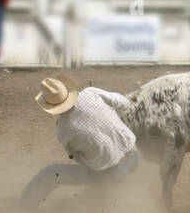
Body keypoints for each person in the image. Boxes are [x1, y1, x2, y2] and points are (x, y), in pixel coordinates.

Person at [20, 76, 141, 206]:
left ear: (51, 106)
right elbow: (124, 103)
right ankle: (103, 192)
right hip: (134, 156)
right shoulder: (91, 93)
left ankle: (23, 207)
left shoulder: (63, 130)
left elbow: (76, 157)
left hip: (110, 174)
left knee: (51, 173)